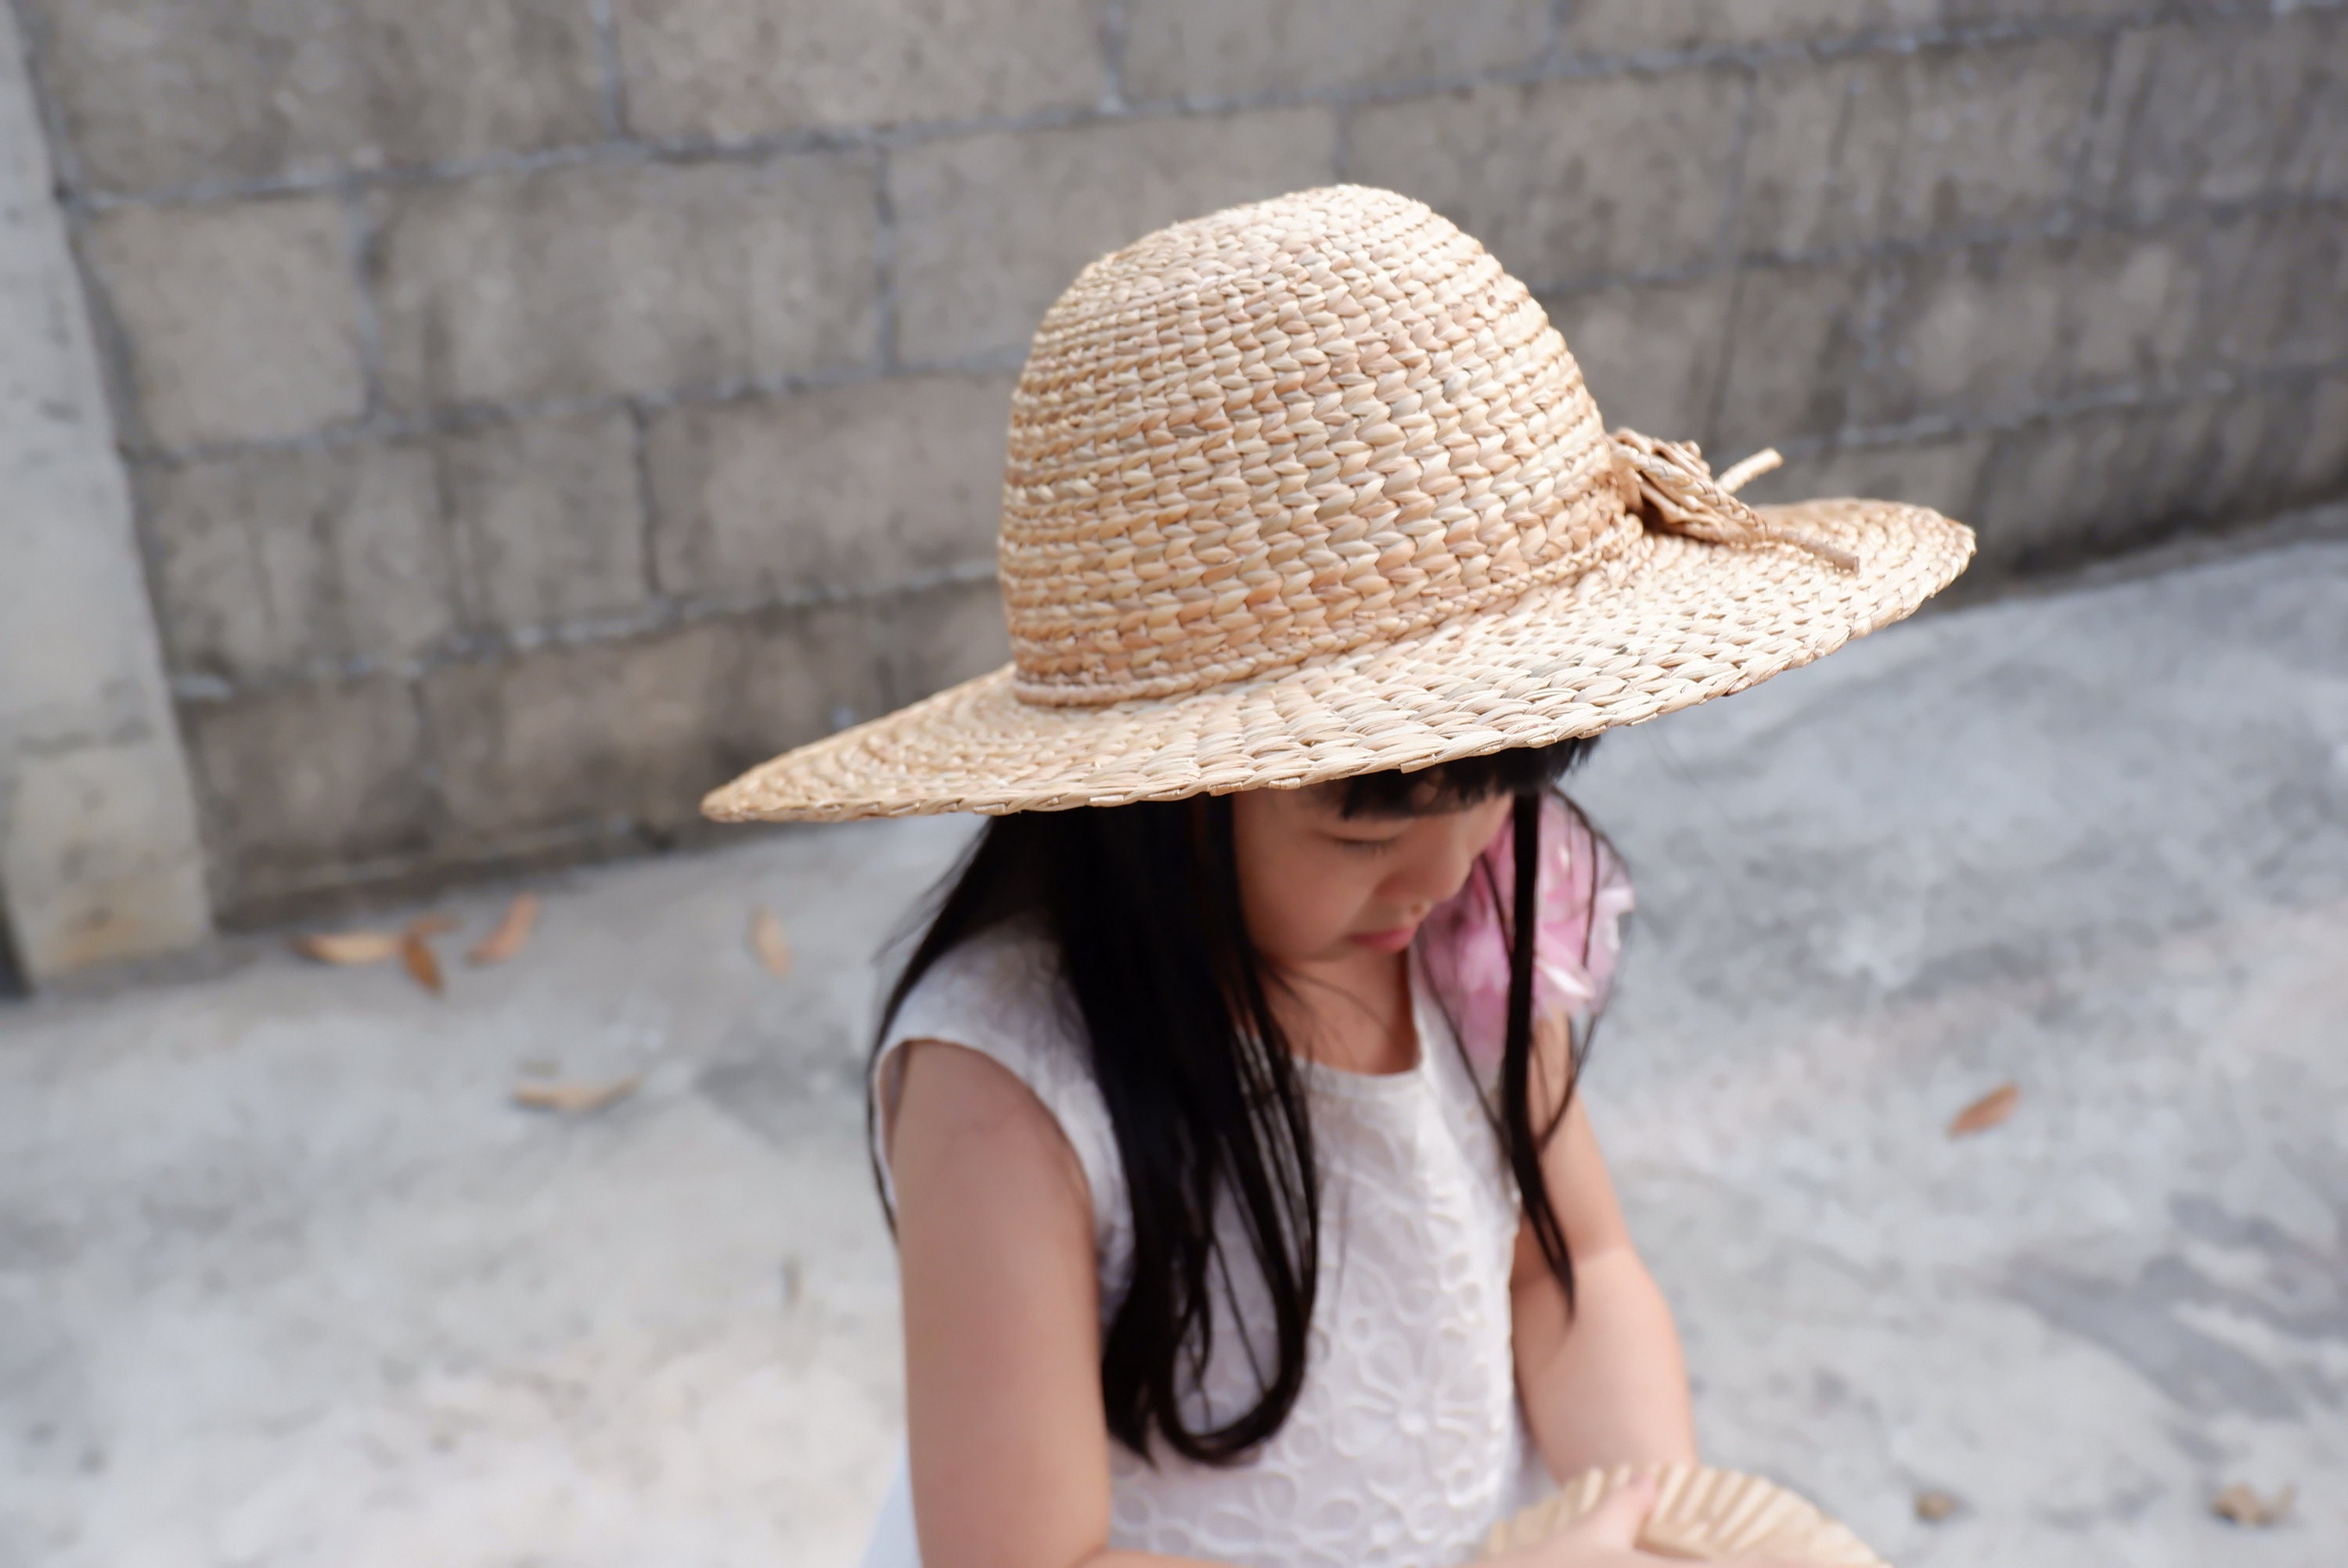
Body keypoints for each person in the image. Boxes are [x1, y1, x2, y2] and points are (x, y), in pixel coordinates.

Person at [703, 185, 1974, 1568]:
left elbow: (1569, 1266)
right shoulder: (1007, 1087)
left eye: (1507, 784)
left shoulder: (1479, 914)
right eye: (1366, 828)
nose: (1444, 867)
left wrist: (1645, 1511)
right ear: (1150, 798)